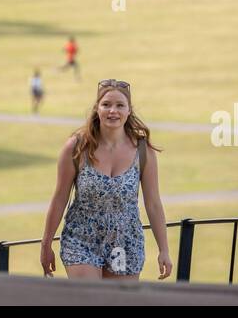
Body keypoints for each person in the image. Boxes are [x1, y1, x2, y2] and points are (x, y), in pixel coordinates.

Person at [40, 79, 172, 280]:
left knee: (116, 300)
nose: (113, 111)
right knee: (90, 298)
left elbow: (153, 204)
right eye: (106, 104)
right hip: (82, 240)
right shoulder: (76, 148)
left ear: (129, 111)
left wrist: (164, 250)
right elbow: (59, 199)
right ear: (97, 109)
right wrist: (46, 243)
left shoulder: (143, 151)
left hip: (124, 243)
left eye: (120, 105)